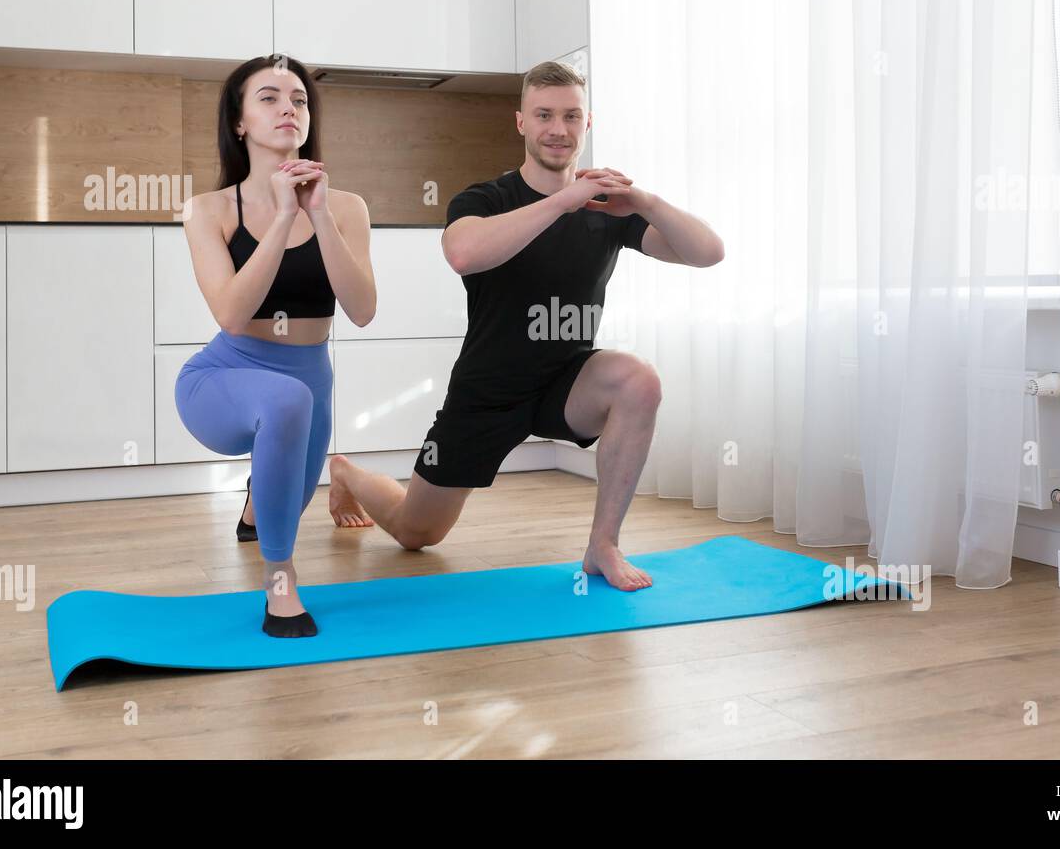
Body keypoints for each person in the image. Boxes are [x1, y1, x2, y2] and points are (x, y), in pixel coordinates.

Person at [324, 60, 724, 591]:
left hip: (567, 380)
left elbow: (708, 254)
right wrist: (565, 201)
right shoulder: (485, 199)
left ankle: (602, 544)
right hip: (487, 390)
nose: (558, 128)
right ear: (521, 123)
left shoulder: (610, 210)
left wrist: (644, 201)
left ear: (588, 123)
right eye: (544, 115)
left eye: (571, 116)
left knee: (639, 379)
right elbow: (463, 254)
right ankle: (348, 473)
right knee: (415, 533)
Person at [174, 54, 377, 636]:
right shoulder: (209, 210)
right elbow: (233, 314)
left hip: (311, 376)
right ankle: (281, 585)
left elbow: (361, 311)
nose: (289, 107)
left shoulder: (346, 207)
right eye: (268, 97)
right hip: (223, 378)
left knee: (289, 463)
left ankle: (254, 507)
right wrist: (285, 216)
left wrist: (318, 213)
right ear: (239, 122)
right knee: (286, 403)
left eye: (300, 99)